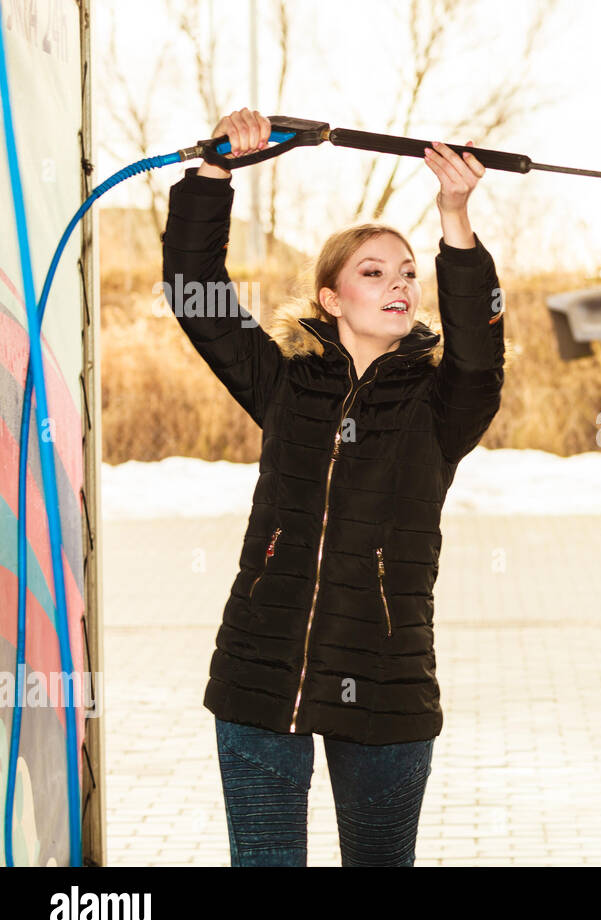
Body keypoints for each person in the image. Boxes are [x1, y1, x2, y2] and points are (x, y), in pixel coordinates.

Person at [160, 107, 505, 866]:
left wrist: (455, 219)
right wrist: (215, 170)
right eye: (373, 272)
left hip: (384, 680)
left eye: (409, 273)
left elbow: (480, 357)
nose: (399, 284)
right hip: (260, 671)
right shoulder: (282, 383)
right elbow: (193, 289)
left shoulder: (440, 405)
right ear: (330, 298)